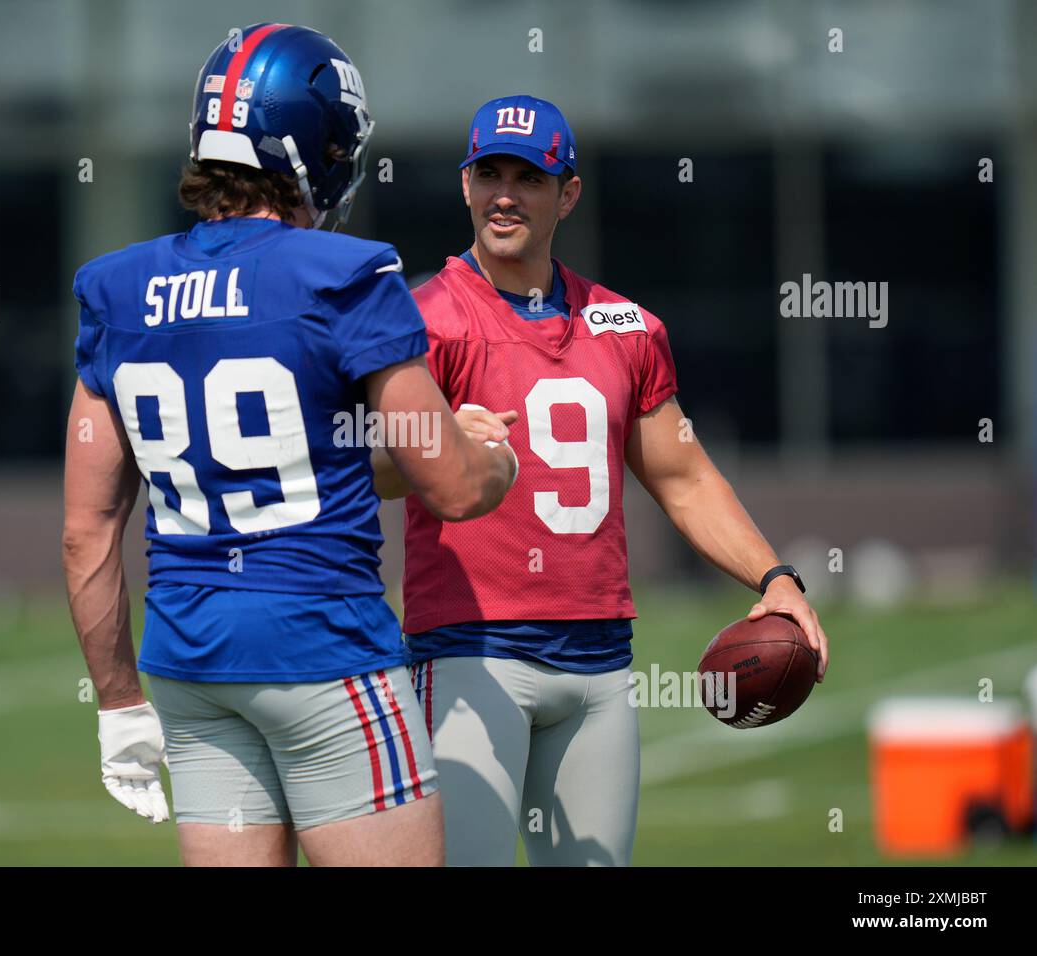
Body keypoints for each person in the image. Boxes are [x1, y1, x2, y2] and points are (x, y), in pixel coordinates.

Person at [61, 25, 516, 867]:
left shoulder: (116, 290)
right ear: (314, 147)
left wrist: (118, 699)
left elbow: (86, 528)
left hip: (191, 669)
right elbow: (448, 483)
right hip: (324, 653)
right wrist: (491, 457)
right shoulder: (343, 273)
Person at [373, 94, 830, 866]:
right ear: (465, 185)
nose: (506, 194)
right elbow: (366, 468)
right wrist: (435, 446)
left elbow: (682, 475)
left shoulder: (625, 325)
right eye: (490, 173)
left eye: (530, 176)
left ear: (569, 192)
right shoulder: (427, 317)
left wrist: (777, 578)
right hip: (469, 656)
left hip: (600, 668)